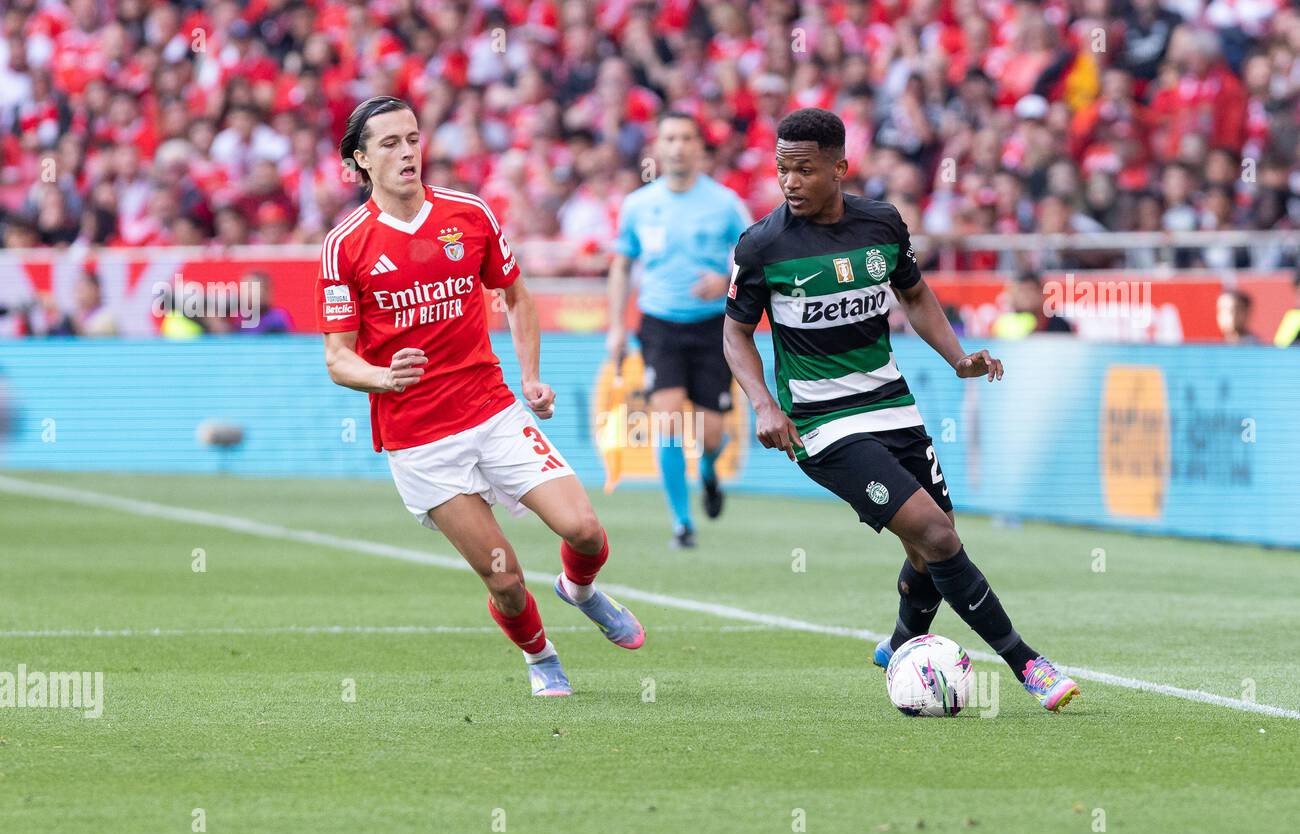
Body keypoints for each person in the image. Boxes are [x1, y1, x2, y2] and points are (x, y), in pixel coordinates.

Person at [722, 108, 1080, 713]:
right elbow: (734, 334)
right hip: (820, 425)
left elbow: (914, 294)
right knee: (938, 535)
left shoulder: (882, 224)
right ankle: (1028, 664)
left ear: (839, 168)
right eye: (782, 170)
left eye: (804, 170)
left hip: (892, 406)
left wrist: (958, 358)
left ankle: (902, 642)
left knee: (929, 545)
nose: (789, 183)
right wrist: (762, 403)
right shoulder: (763, 245)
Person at [317, 96, 645, 698]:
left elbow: (516, 296)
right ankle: (541, 656)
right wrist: (383, 377)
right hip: (418, 438)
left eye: (413, 138)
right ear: (360, 160)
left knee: (586, 531)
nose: (407, 152)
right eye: (388, 144)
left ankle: (581, 590)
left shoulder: (468, 213)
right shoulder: (346, 245)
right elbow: (337, 358)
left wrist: (531, 376)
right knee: (506, 579)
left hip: (491, 410)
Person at [607, 112, 752, 548]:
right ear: (657, 146)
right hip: (659, 325)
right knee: (668, 422)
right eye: (669, 138)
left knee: (709, 435)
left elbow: (753, 256)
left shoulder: (725, 203)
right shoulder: (638, 204)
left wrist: (727, 280)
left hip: (712, 327)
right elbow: (621, 264)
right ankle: (682, 523)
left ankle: (708, 470)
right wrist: (616, 327)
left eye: (687, 138)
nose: (677, 146)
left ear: (700, 148)